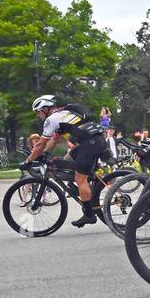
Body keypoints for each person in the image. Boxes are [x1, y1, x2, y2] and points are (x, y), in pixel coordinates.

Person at [24, 95, 108, 228]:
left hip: (91, 143)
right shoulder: (62, 115)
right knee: (65, 161)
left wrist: (28, 161)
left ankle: (89, 214)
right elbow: (53, 141)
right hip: (92, 141)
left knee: (80, 178)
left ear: (46, 109)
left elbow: (40, 144)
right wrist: (43, 153)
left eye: (38, 112)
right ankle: (91, 188)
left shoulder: (52, 119)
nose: (37, 115)